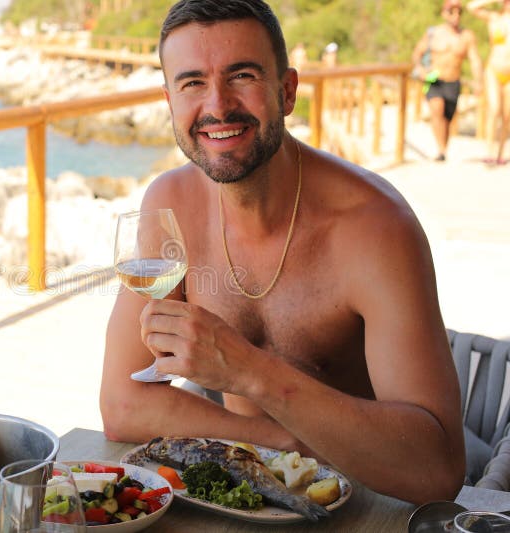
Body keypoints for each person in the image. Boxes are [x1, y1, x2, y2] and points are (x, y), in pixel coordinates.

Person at [100, 0, 465, 505]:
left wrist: (248, 371)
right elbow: (122, 404)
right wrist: (283, 442)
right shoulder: (170, 206)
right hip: (259, 491)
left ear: (287, 91)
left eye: (242, 75)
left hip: (370, 497)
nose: (217, 106)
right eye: (191, 84)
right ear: (170, 100)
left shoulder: (376, 227)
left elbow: (437, 467)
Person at [412, 0, 483, 161]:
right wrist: (421, 70)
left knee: (448, 118)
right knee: (437, 110)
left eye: (459, 12)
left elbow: (475, 60)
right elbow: (417, 53)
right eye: (452, 11)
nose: (456, 16)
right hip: (434, 80)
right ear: (444, 14)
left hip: (453, 82)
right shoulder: (433, 33)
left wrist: (479, 82)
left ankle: (443, 147)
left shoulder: (466, 36)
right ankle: (441, 150)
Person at [467, 0, 510, 164]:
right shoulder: (494, 18)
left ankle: (501, 153)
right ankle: (489, 151)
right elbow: (471, 7)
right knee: (494, 108)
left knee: (507, 115)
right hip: (494, 69)